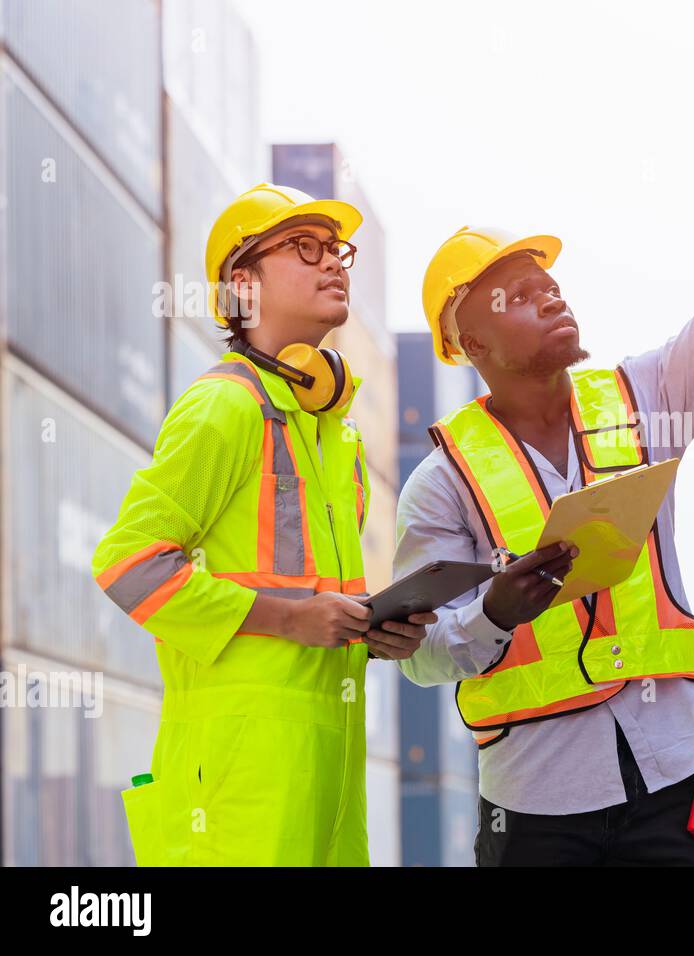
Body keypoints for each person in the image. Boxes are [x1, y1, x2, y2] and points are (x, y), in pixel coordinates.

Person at [396, 67, 694, 865]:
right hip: (535, 806)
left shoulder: (648, 398)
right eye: (517, 294)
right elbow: (422, 655)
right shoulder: (443, 484)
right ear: (469, 343)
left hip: (675, 776)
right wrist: (494, 610)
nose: (551, 295)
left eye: (551, 284)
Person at [92, 183, 429, 865]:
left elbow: (308, 593)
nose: (332, 262)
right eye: (305, 247)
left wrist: (370, 629)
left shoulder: (336, 438)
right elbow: (126, 564)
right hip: (236, 785)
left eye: (337, 250)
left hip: (328, 772)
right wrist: (291, 620)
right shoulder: (224, 407)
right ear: (243, 288)